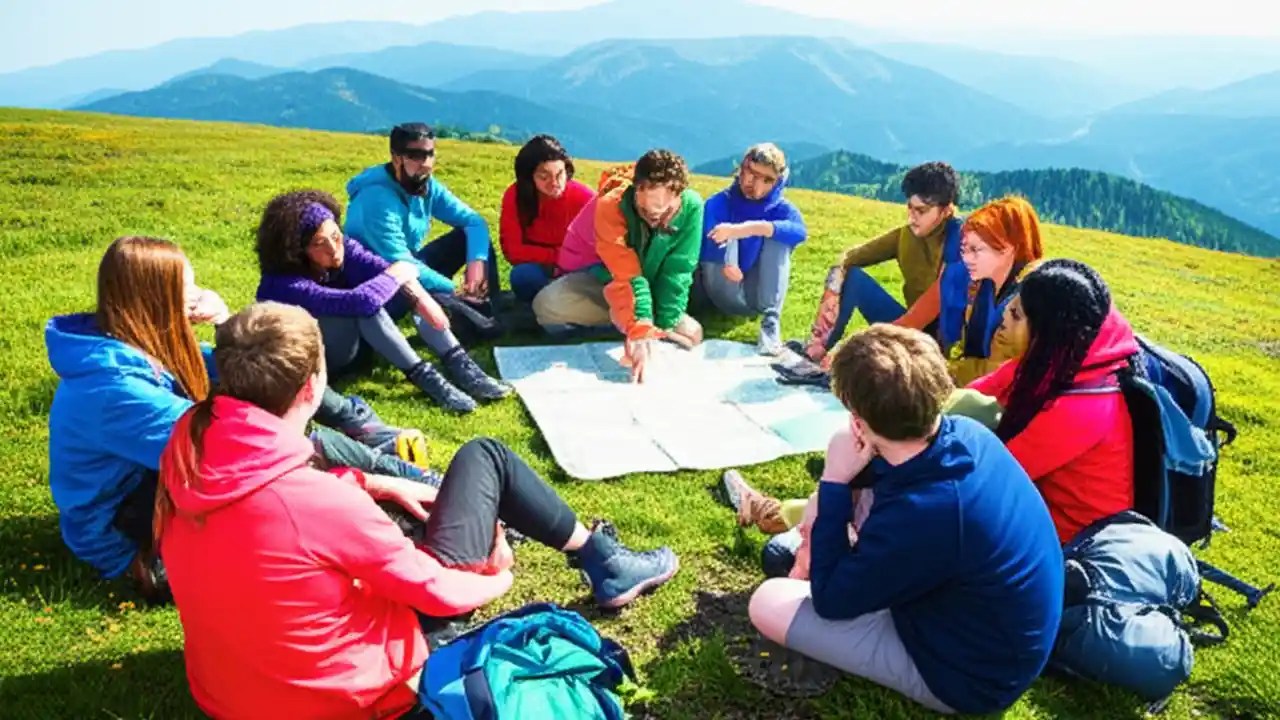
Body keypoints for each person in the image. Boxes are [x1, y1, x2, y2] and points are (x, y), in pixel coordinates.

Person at [155, 301, 681, 720]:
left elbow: (278, 511)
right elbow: (436, 591)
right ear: (314, 385)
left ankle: (601, 558)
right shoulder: (316, 503)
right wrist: (499, 576)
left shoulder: (189, 445)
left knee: (416, 508)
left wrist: (369, 479)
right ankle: (604, 561)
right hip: (345, 697)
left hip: (229, 696)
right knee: (487, 456)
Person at [44, 236, 426, 603]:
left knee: (282, 384)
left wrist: (227, 323)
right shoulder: (114, 388)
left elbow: (253, 366)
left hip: (159, 484)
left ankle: (405, 484)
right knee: (288, 462)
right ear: (154, 299)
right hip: (126, 528)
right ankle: (403, 498)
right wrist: (358, 477)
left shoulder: (135, 345)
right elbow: (230, 448)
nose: (197, 296)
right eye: (186, 288)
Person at [747, 324, 1064, 715]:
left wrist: (832, 483)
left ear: (858, 420)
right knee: (854, 494)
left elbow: (831, 601)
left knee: (767, 602)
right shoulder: (964, 432)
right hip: (990, 630)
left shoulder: (925, 513)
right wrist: (825, 506)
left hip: (970, 677)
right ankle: (821, 555)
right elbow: (880, 482)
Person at [255, 190, 510, 414]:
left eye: (336, 236)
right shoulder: (281, 283)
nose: (334, 249)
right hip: (323, 359)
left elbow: (386, 273)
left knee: (395, 292)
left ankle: (460, 364)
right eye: (319, 244)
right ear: (297, 250)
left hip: (361, 343)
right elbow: (364, 298)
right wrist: (399, 274)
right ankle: (429, 380)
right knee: (367, 305)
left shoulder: (347, 249)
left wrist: (421, 297)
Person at [968, 259, 1137, 543]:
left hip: (1069, 543)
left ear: (1046, 330)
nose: (1004, 318)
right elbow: (971, 395)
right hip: (1042, 511)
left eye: (1017, 315)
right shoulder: (1061, 362)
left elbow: (991, 477)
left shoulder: (1083, 411)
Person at [532, 150, 705, 382]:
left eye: (665, 212)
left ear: (679, 195)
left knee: (693, 333)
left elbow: (678, 271)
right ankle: (623, 322)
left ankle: (624, 324)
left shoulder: (692, 207)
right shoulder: (611, 205)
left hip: (650, 292)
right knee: (547, 305)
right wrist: (640, 328)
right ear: (636, 189)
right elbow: (625, 273)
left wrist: (660, 327)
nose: (654, 216)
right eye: (645, 211)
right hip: (606, 279)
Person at [792, 162, 963, 369]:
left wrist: (860, 344)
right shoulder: (907, 234)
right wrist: (834, 286)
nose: (912, 217)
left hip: (938, 345)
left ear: (946, 210)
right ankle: (818, 350)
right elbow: (849, 258)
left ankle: (836, 365)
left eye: (921, 211)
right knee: (852, 277)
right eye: (910, 208)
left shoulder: (961, 243)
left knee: (862, 360)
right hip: (906, 328)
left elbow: (927, 309)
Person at [344, 122, 501, 338]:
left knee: (467, 238)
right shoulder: (376, 199)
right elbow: (399, 262)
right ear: (396, 157)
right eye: (415, 156)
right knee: (435, 288)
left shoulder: (426, 185)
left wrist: (476, 266)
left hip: (410, 265)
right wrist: (455, 289)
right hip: (379, 283)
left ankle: (486, 309)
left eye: (429, 154)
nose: (425, 164)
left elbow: (474, 222)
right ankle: (474, 319)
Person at [697, 142, 808, 354]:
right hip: (723, 282)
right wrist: (729, 257)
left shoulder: (781, 209)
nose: (755, 184)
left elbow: (799, 233)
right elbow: (712, 238)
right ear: (741, 169)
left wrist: (750, 229)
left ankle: (770, 325)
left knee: (778, 237)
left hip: (757, 293)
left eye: (767, 180)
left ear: (778, 183)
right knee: (725, 232)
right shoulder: (719, 203)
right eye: (751, 173)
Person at [947, 195, 1046, 385]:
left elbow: (1006, 369)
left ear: (1011, 249)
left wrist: (948, 372)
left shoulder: (1030, 298)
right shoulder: (984, 285)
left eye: (978, 249)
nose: (968, 258)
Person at [499, 135, 595, 303]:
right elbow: (513, 251)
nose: (555, 183)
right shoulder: (515, 196)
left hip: (578, 269)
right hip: (540, 268)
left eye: (560, 174)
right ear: (529, 177)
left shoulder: (585, 198)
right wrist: (559, 255)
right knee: (522, 276)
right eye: (544, 177)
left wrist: (565, 260)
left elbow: (598, 250)